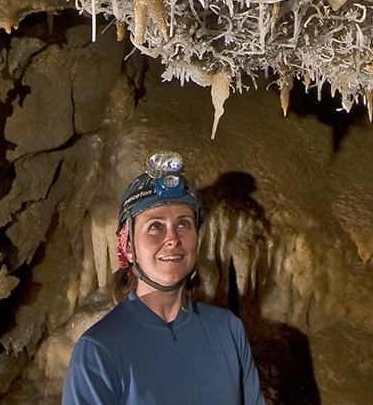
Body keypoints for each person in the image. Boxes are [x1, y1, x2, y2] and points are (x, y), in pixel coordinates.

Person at [62, 151, 262, 405]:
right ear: (129, 247)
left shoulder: (228, 331)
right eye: (155, 226)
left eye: (183, 224)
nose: (172, 239)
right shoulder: (98, 351)